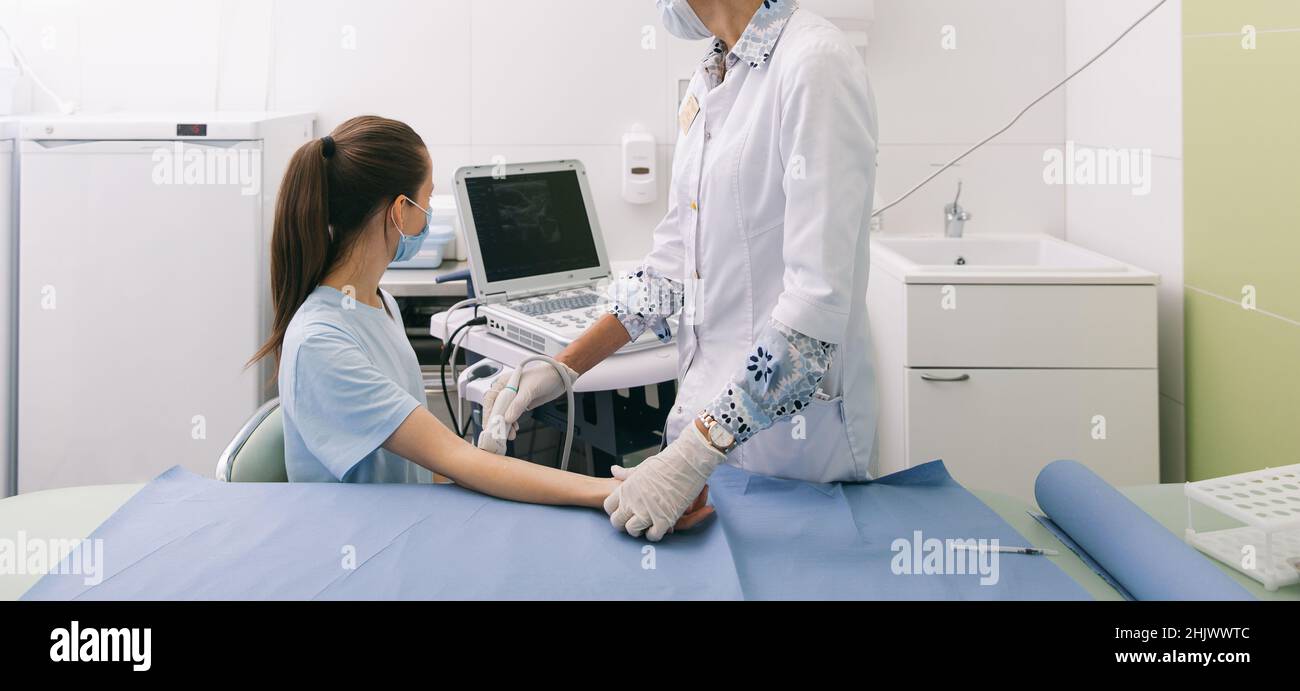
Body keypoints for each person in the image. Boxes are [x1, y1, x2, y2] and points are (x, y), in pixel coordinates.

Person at [481, 0, 879, 541]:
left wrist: (694, 453)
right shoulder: (712, 76)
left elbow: (813, 319)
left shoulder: (815, 64)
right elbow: (672, 272)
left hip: (788, 454)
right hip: (701, 437)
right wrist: (563, 368)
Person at [247, 115, 713, 527]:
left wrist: (478, 459)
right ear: (399, 211)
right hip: (361, 545)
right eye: (427, 202)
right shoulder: (320, 342)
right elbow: (450, 458)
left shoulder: (377, 302)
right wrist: (614, 491)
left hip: (408, 519)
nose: (428, 216)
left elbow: (433, 458)